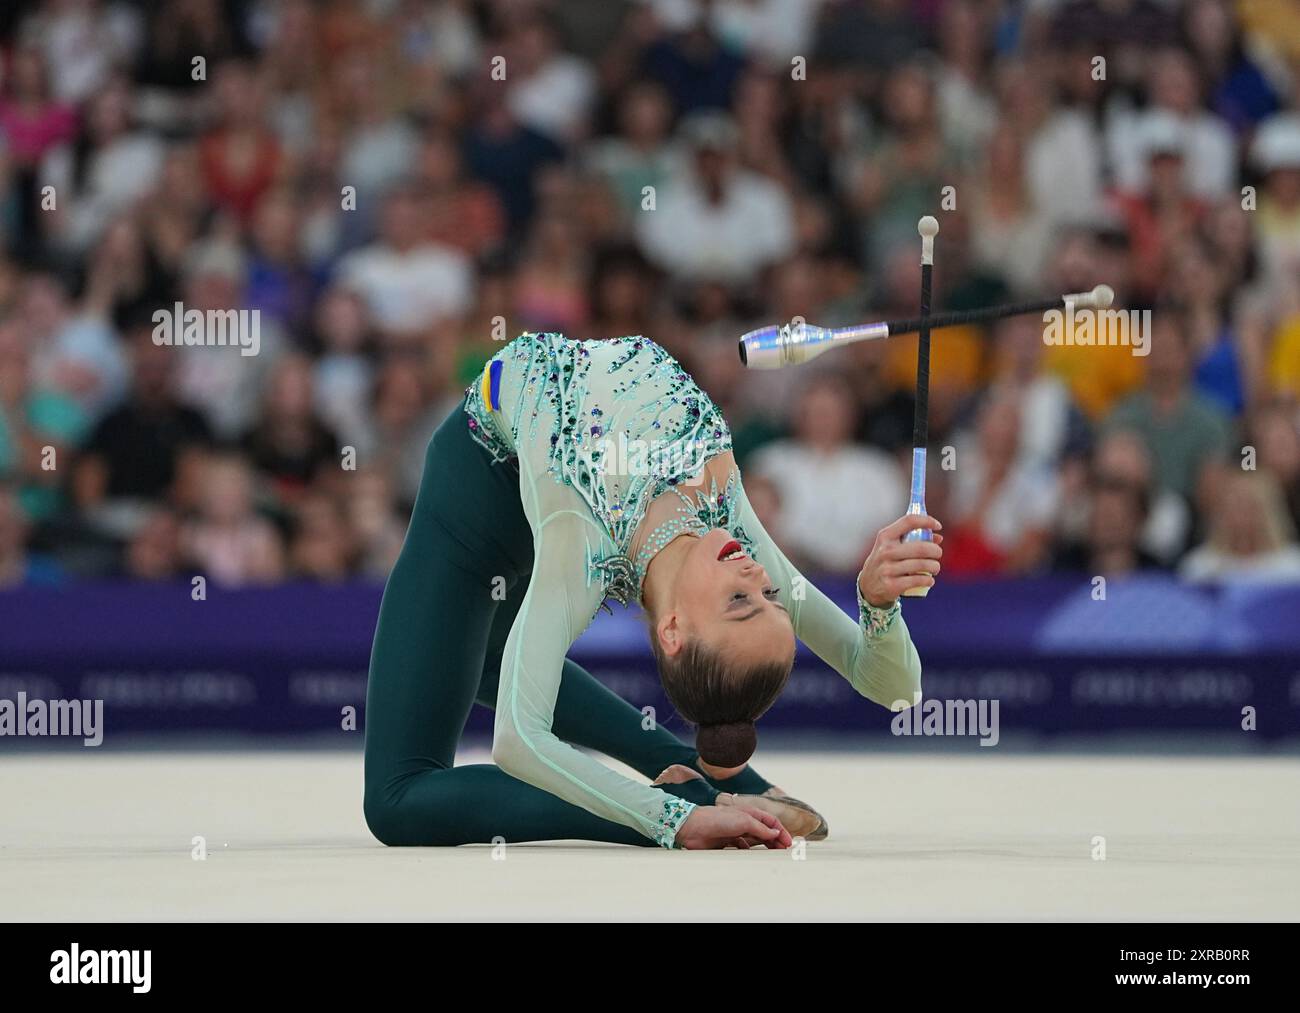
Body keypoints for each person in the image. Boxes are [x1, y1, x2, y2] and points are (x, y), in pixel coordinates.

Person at [364, 332, 937, 851]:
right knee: (492, 657)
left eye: (742, 604)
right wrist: (877, 602)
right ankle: (696, 782)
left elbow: (518, 740)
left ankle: (674, 800)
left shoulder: (581, 544)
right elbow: (893, 688)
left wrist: (666, 822)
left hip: (475, 512)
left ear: (673, 631)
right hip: (504, 464)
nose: (759, 580)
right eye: (771, 598)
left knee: (396, 799)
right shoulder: (730, 530)